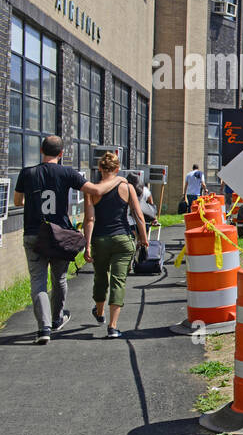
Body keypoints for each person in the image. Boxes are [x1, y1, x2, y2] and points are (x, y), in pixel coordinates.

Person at [14, 135, 126, 344]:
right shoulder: (67, 173)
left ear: (41, 151)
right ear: (61, 153)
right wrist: (118, 178)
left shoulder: (27, 173)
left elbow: (18, 201)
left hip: (33, 233)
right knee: (59, 279)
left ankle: (43, 328)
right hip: (59, 235)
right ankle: (57, 319)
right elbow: (97, 190)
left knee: (38, 282)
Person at [83, 152, 150, 339]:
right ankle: (113, 326)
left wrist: (87, 245)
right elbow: (139, 215)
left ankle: (100, 312)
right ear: (117, 169)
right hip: (122, 239)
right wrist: (143, 239)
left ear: (99, 169)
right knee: (118, 281)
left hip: (100, 240)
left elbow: (89, 219)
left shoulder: (91, 190)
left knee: (100, 277)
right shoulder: (127, 187)